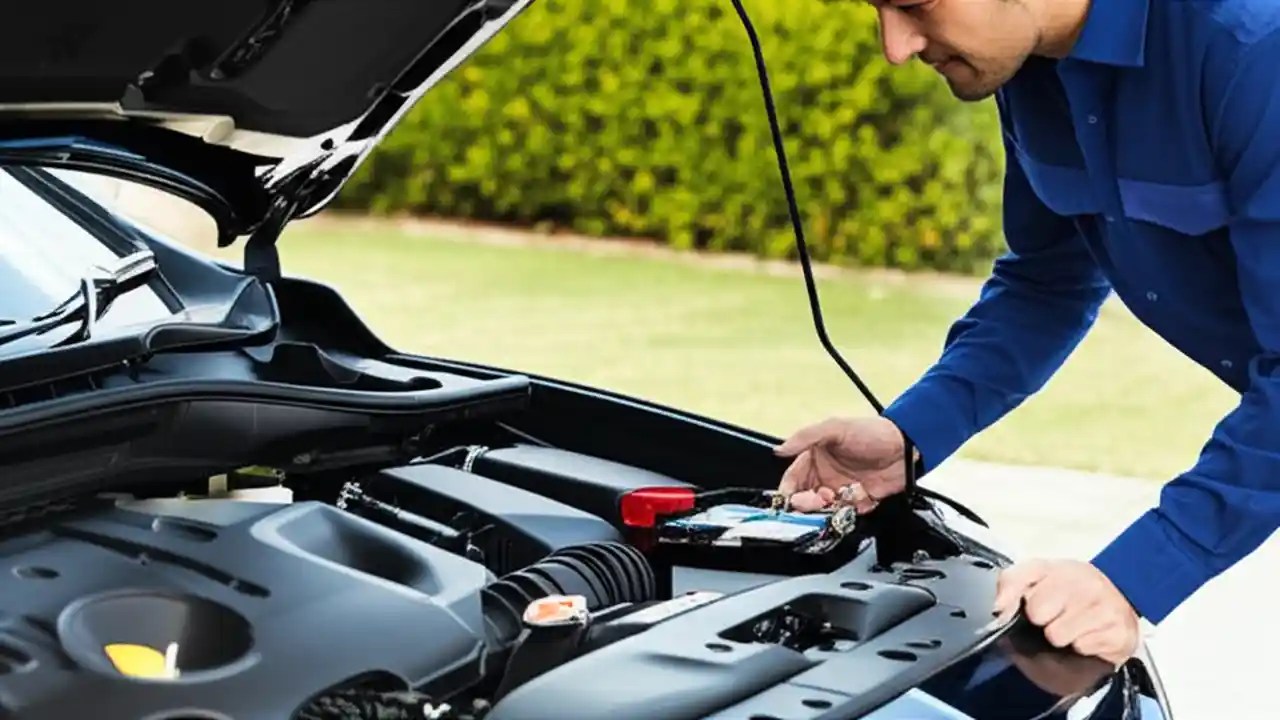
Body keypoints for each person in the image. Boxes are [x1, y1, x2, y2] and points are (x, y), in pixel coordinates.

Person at [775, 0, 1280, 667]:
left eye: (916, 4)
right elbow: (1046, 284)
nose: (895, 46)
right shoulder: (1029, 64)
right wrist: (909, 436)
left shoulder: (1254, 52)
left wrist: (1133, 577)